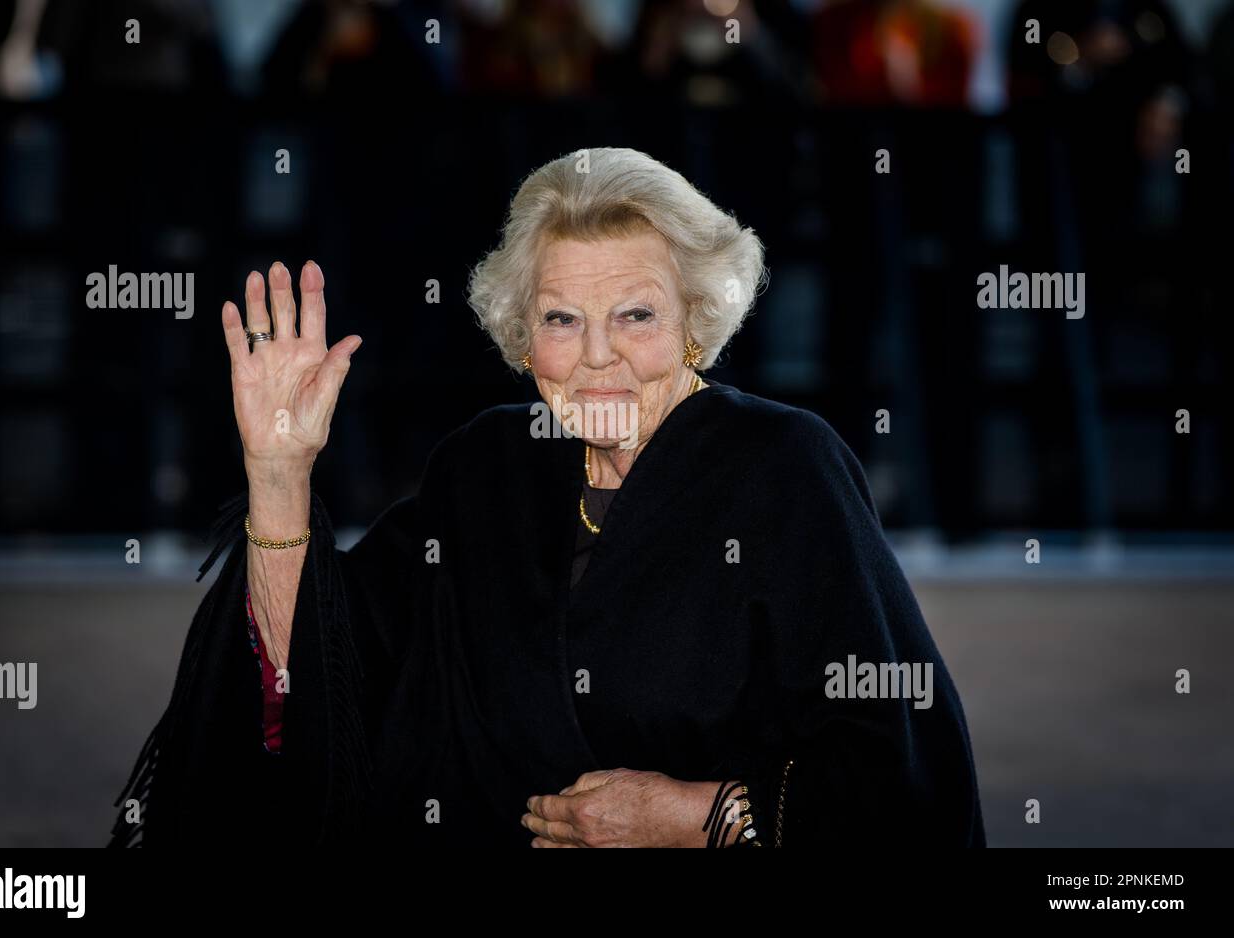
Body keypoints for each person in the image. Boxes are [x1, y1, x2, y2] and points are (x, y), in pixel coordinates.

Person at [112, 147, 985, 848]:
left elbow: (904, 783)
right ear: (522, 338)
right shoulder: (487, 466)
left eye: (636, 316)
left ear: (696, 322)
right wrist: (279, 476)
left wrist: (698, 817)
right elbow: (321, 682)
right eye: (562, 320)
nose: (598, 357)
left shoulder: (786, 467)